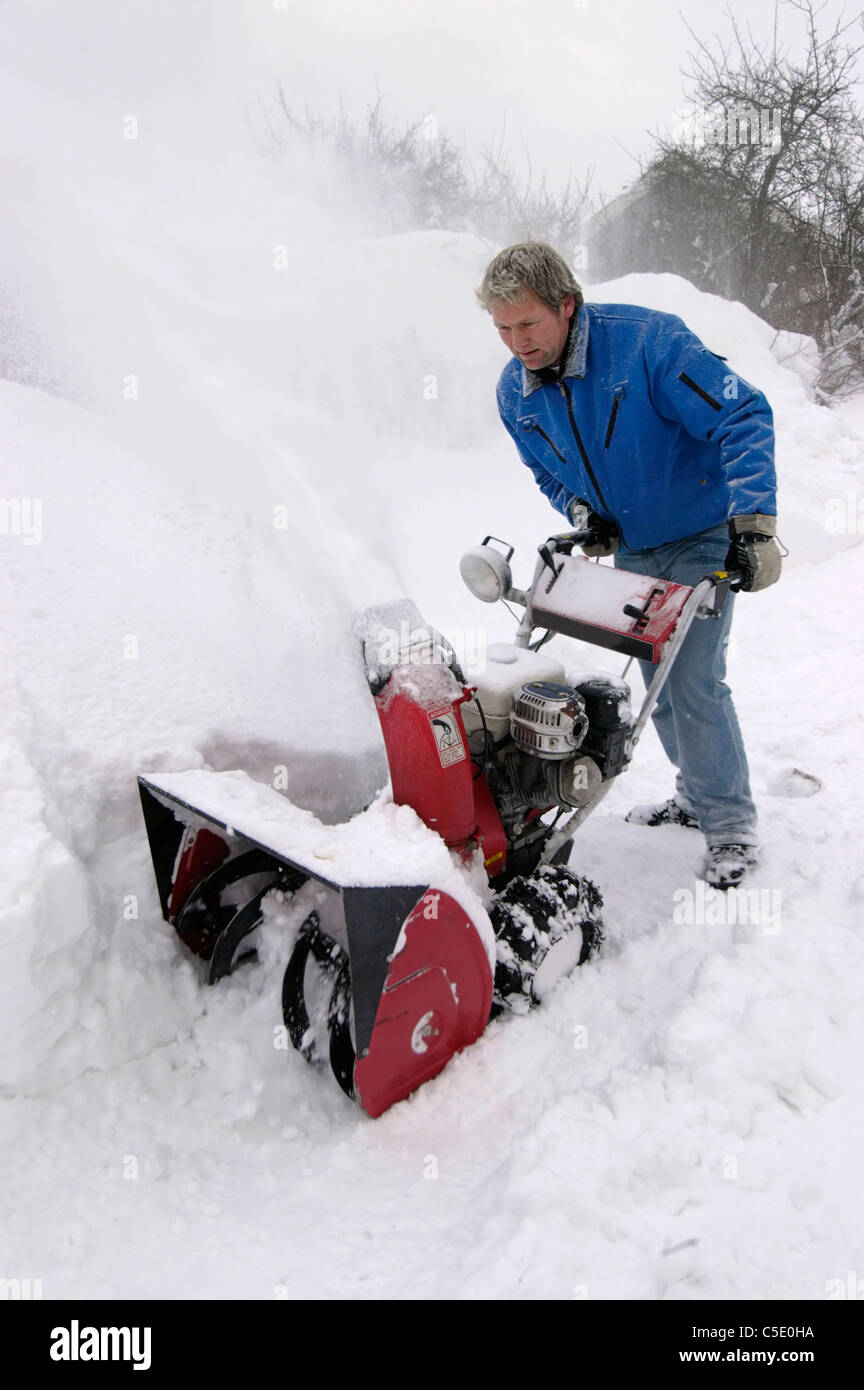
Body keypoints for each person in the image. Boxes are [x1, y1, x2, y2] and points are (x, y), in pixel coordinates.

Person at [476, 240, 781, 889]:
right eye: (502, 328)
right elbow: (546, 471)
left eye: (527, 323)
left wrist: (754, 525)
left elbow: (744, 413)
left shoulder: (648, 342)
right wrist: (587, 515)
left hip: (703, 535)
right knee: (661, 685)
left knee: (692, 683)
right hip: (637, 548)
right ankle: (697, 798)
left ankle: (730, 827)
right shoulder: (515, 393)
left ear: (567, 304)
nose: (516, 342)